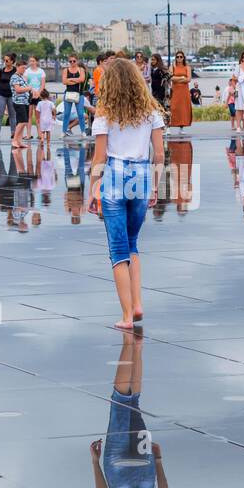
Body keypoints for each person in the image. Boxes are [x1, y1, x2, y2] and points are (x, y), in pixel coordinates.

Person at [88, 56, 165, 330]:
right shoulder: (151, 113)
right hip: (142, 176)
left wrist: (92, 190)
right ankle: (138, 303)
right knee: (132, 244)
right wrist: (156, 185)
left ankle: (126, 316)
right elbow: (159, 154)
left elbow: (99, 158)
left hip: (115, 177)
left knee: (118, 249)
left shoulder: (104, 114)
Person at [91, 331, 169, 488]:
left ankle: (138, 347)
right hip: (118, 478)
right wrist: (94, 461)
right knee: (119, 402)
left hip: (146, 478)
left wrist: (157, 460)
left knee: (134, 404)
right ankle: (127, 343)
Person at [63, 54, 89, 137]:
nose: (72, 63)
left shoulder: (81, 70)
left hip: (79, 94)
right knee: (66, 113)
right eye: (70, 61)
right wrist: (75, 81)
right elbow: (64, 81)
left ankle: (83, 131)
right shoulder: (66, 70)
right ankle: (64, 131)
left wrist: (70, 79)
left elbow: (82, 79)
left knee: (81, 114)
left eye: (74, 61)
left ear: (77, 61)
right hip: (68, 93)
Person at [0, 53, 16, 140]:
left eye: (7, 60)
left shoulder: (15, 71)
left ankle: (13, 133)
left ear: (12, 62)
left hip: (12, 95)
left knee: (12, 114)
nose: (5, 62)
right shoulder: (1, 71)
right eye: (4, 60)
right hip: (1, 94)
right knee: (0, 114)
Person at [169, 51, 192, 132]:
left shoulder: (187, 67)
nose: (179, 58)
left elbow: (189, 79)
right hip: (175, 90)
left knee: (183, 109)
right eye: (177, 57)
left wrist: (177, 79)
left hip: (184, 91)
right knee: (173, 107)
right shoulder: (172, 67)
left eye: (181, 57)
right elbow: (171, 78)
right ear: (175, 58)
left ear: (183, 58)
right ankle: (169, 127)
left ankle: (181, 128)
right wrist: (182, 78)